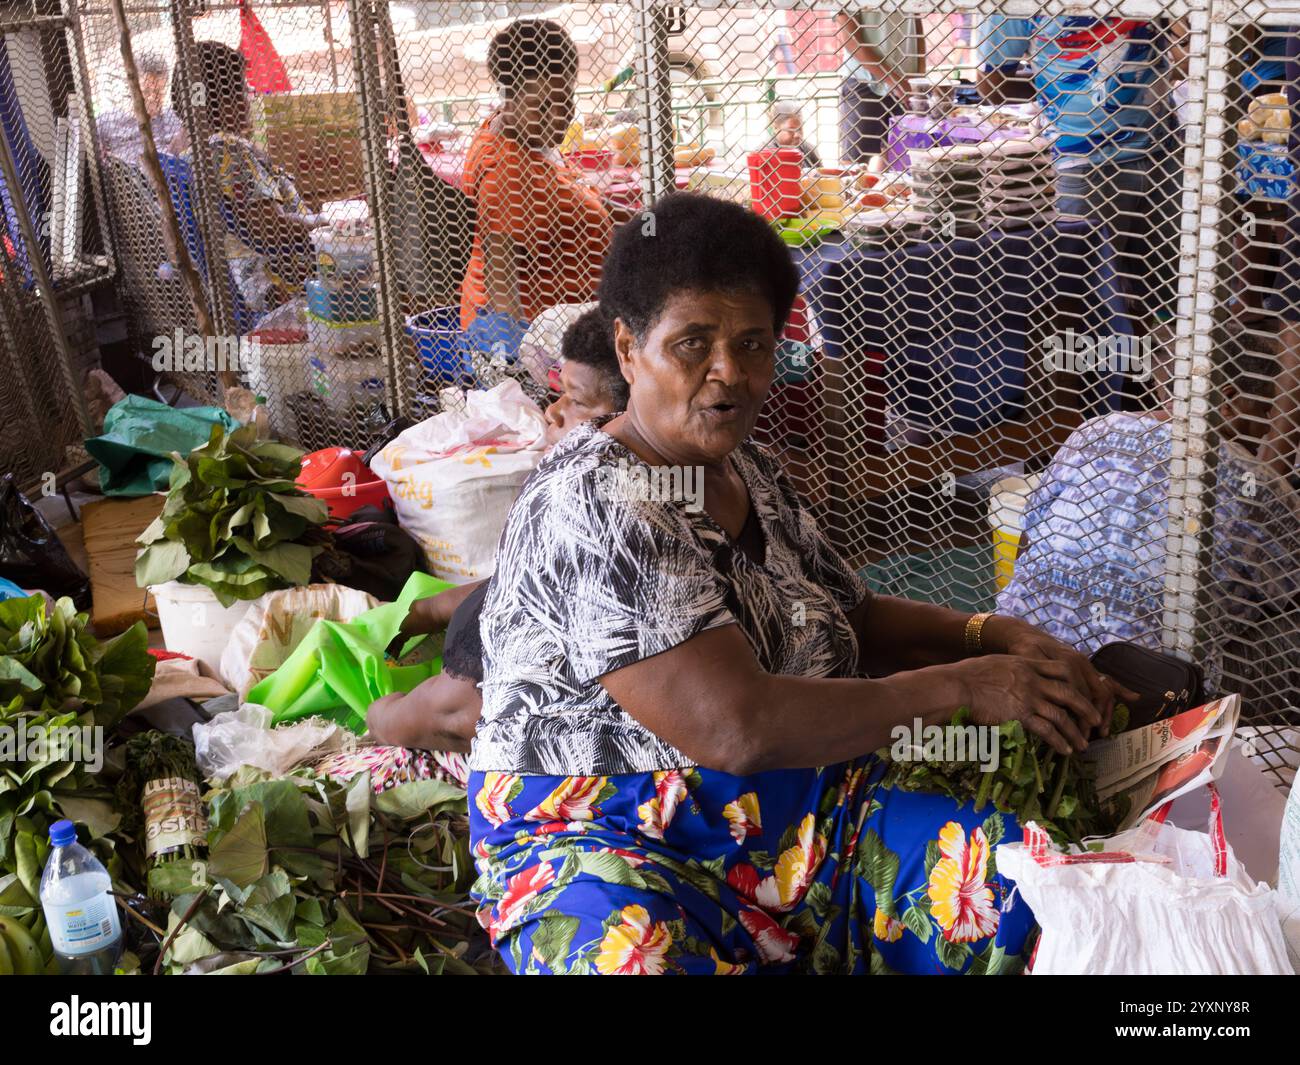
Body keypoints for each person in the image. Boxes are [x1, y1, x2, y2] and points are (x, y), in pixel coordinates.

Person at [467, 192, 1129, 976]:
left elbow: (858, 613)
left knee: (1035, 895)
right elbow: (734, 727)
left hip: (807, 815)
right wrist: (968, 688)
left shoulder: (745, 472)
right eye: (693, 344)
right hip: (611, 838)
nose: (729, 373)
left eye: (752, 343)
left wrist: (992, 634)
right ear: (628, 347)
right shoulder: (597, 500)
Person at [366, 307, 630, 752]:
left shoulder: (590, 508)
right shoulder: (685, 481)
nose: (554, 411)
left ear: (639, 410)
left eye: (578, 401)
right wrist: (432, 609)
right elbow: (529, 581)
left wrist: (384, 718)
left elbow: (458, 715)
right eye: (559, 393)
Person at [998, 327, 1299, 707]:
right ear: (1228, 402)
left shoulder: (1094, 429)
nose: (1269, 423)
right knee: (1284, 628)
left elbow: (1029, 537)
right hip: (1147, 689)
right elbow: (1288, 590)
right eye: (1268, 408)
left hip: (1018, 650)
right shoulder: (1254, 478)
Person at [977, 17, 1171, 324]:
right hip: (1082, 161)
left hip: (1162, 147)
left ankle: (1132, 368)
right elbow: (992, 83)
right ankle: (1089, 368)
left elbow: (992, 84)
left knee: (1151, 293)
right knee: (1079, 294)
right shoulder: (1011, 8)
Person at [459, 19, 613, 333]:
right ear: (508, 98)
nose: (557, 118)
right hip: (542, 342)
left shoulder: (526, 138)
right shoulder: (507, 169)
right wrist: (517, 359)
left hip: (574, 321)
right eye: (540, 107)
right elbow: (501, 281)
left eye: (565, 102)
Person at [172, 41, 316, 317]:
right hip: (284, 284)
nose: (248, 99)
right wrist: (326, 228)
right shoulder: (225, 149)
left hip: (236, 284)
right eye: (243, 89)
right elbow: (269, 230)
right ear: (225, 101)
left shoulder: (181, 145)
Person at [837, 10, 921, 163]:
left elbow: (916, 22)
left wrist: (919, 75)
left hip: (907, 84)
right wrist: (893, 80)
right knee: (856, 165)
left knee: (906, 164)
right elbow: (850, 39)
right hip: (864, 80)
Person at [96, 53, 182, 161]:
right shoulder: (107, 122)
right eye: (146, 91)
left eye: (158, 92)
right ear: (132, 87)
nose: (152, 98)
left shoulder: (176, 118)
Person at [763, 101, 822, 169]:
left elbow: (822, 175)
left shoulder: (808, 149)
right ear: (775, 127)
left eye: (800, 129)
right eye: (791, 130)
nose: (797, 135)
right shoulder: (763, 153)